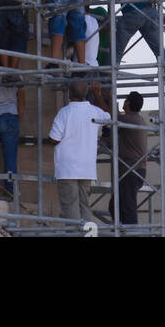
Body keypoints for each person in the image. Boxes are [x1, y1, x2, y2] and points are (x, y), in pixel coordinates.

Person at [49, 79, 111, 224]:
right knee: (85, 207)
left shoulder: (64, 113)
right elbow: (109, 116)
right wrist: (98, 95)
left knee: (71, 210)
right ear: (86, 94)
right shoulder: (94, 111)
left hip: (67, 169)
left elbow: (54, 138)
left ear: (69, 94)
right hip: (86, 169)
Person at [109, 91, 149, 225]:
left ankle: (131, 232)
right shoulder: (135, 120)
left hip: (132, 170)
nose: (124, 102)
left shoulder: (130, 119)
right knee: (115, 206)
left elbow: (111, 116)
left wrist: (100, 96)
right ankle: (123, 231)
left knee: (128, 207)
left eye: (125, 100)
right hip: (133, 170)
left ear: (128, 103)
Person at [0, 71, 25, 199]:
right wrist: (18, 119)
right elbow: (22, 100)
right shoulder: (17, 75)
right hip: (11, 116)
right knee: (10, 158)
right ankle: (10, 191)